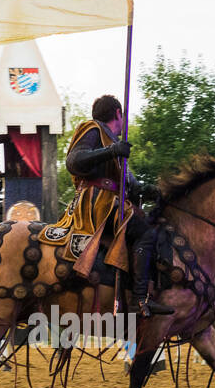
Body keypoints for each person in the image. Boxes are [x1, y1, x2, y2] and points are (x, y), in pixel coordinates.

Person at [63, 94, 168, 316]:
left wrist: (146, 190)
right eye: (124, 117)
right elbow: (74, 161)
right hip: (96, 202)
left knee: (148, 225)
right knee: (146, 233)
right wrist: (112, 151)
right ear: (118, 113)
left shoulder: (112, 142)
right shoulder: (93, 129)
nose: (124, 123)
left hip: (112, 202)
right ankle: (140, 300)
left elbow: (128, 183)